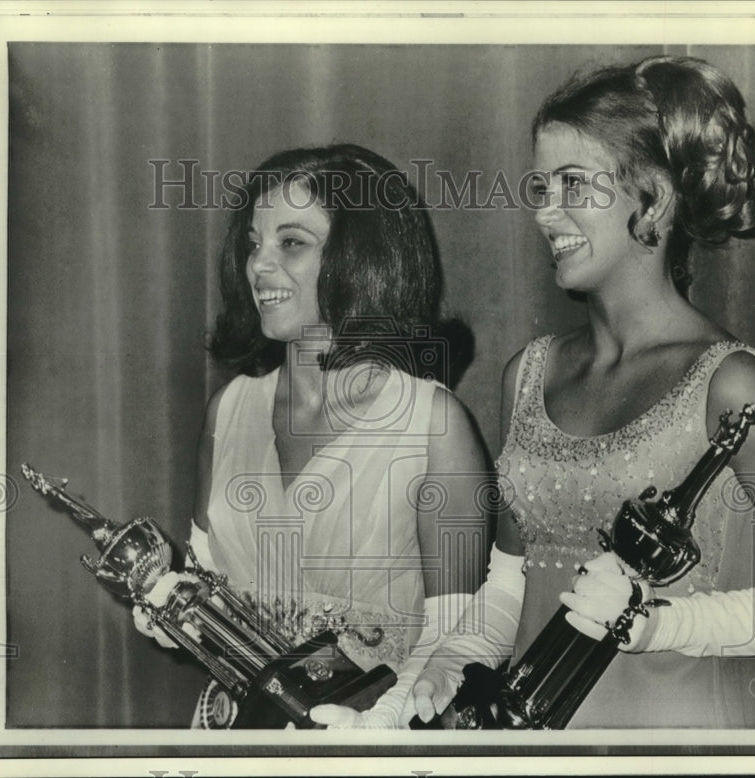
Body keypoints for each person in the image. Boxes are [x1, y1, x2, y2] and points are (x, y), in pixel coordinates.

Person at [411, 56, 755, 729]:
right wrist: (442, 669)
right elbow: (508, 583)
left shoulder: (731, 385)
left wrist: (656, 625)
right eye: (539, 186)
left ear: (655, 201)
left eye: (574, 185)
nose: (545, 214)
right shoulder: (527, 374)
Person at [134, 144, 491, 728]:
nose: (258, 266)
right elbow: (206, 592)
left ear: (361, 260)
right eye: (254, 243)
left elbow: (459, 642)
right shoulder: (228, 410)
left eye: (291, 243)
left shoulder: (434, 425)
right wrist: (170, 609)